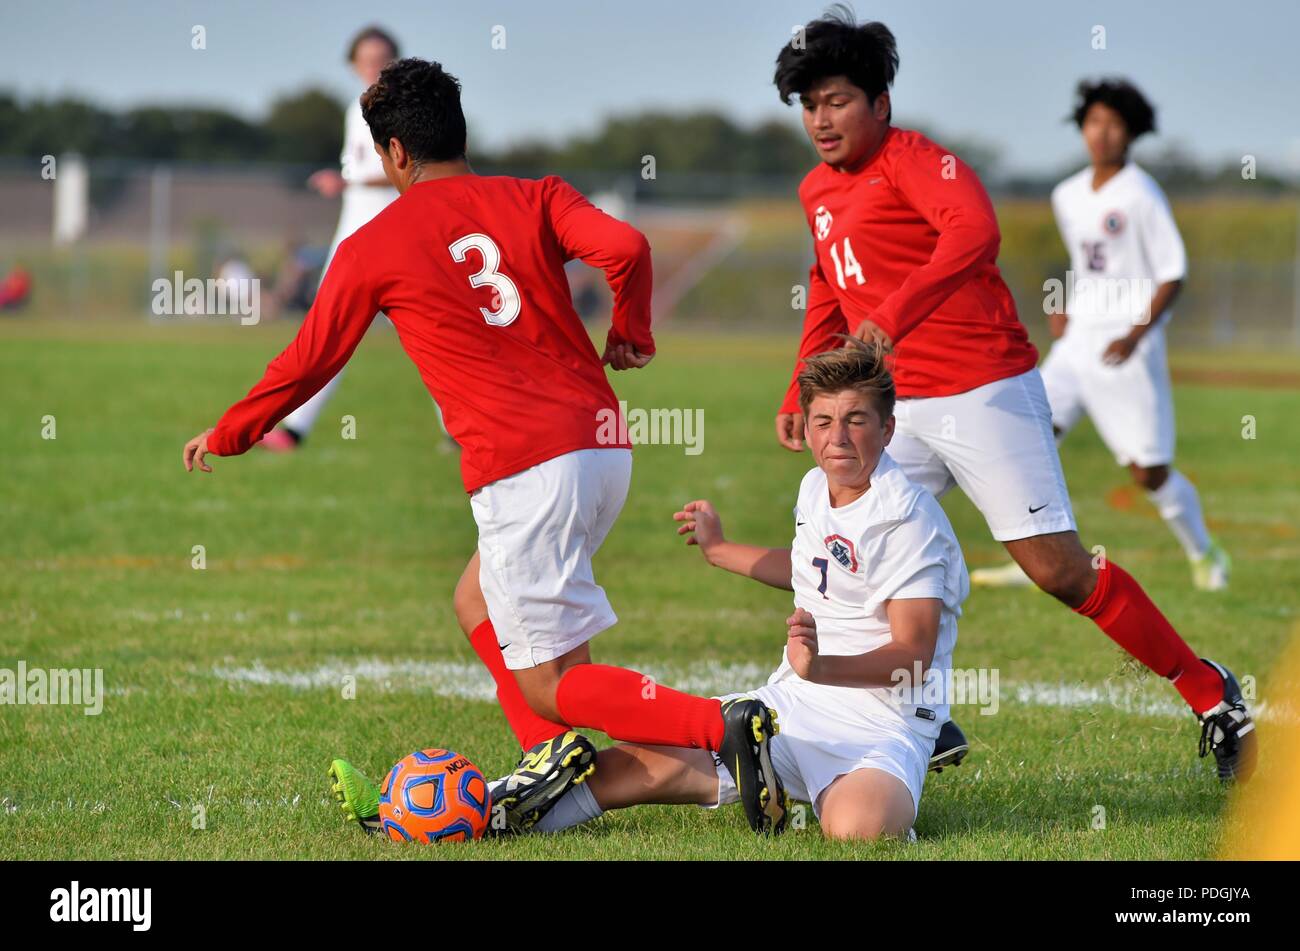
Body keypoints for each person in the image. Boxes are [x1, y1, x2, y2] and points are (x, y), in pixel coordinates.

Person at [182, 58, 786, 835]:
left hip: (525, 469)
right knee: (475, 598)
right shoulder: (535, 195)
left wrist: (231, 432)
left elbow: (309, 361)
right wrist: (631, 330)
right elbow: (628, 248)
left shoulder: (375, 241)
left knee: (550, 683)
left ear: (395, 152)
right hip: (602, 451)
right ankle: (555, 762)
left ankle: (724, 725)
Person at [770, 10, 1254, 781]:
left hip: (984, 387)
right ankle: (908, 718)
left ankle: (1211, 692)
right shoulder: (815, 190)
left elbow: (975, 231)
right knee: (850, 551)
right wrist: (804, 382)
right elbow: (828, 286)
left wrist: (893, 315)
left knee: (1061, 571)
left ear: (881, 102)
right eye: (809, 104)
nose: (821, 119)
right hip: (901, 408)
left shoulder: (914, 159)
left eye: (837, 100)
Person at [521, 342, 967, 841]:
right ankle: (495, 814)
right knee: (633, 770)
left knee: (858, 827)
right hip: (797, 697)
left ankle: (893, 772)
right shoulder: (814, 488)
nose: (838, 438)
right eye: (823, 422)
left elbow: (914, 654)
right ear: (807, 426)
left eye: (856, 420)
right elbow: (812, 570)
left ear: (887, 429)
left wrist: (821, 667)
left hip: (886, 719)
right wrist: (720, 550)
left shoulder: (907, 518)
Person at [973, 79, 1229, 592]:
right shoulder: (1066, 194)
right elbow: (1086, 265)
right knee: (1030, 437)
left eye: (1114, 124)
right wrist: (1066, 304)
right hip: (1077, 345)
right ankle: (1041, 558)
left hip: (1125, 348)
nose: (1102, 133)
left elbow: (1172, 272)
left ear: (1131, 132)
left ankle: (1205, 553)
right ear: (1082, 126)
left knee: (1148, 471)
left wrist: (1136, 334)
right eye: (1094, 122)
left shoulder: (1140, 193)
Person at [259, 26, 401, 452]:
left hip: (396, 237)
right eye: (367, 58)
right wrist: (347, 181)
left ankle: (462, 427)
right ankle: (294, 427)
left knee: (428, 337)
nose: (374, 65)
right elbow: (357, 170)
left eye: (383, 57)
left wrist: (346, 181)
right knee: (327, 334)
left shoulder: (403, 107)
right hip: (354, 238)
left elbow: (404, 167)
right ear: (354, 64)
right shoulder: (353, 109)